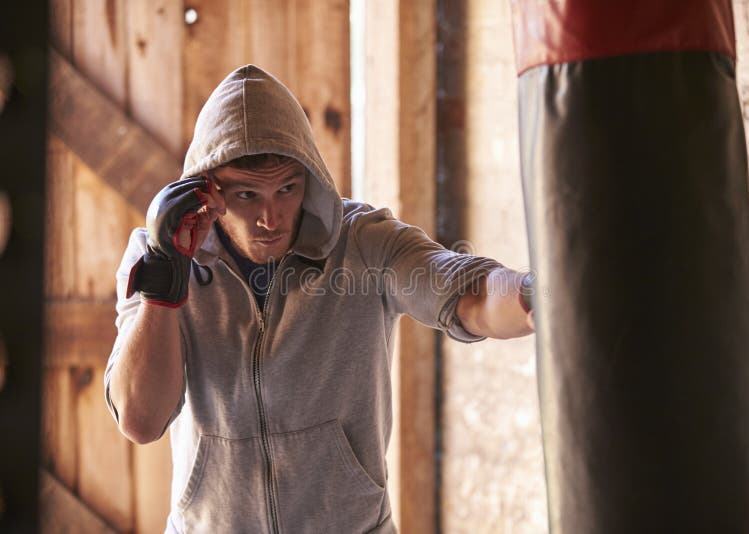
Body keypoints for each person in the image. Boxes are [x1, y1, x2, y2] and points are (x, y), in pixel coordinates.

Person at [104, 64, 534, 534]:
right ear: (209, 190)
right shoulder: (158, 258)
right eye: (247, 194)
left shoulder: (364, 242)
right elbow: (140, 420)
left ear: (309, 177)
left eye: (286, 188)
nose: (271, 217)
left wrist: (537, 296)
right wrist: (166, 280)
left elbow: (464, 291)